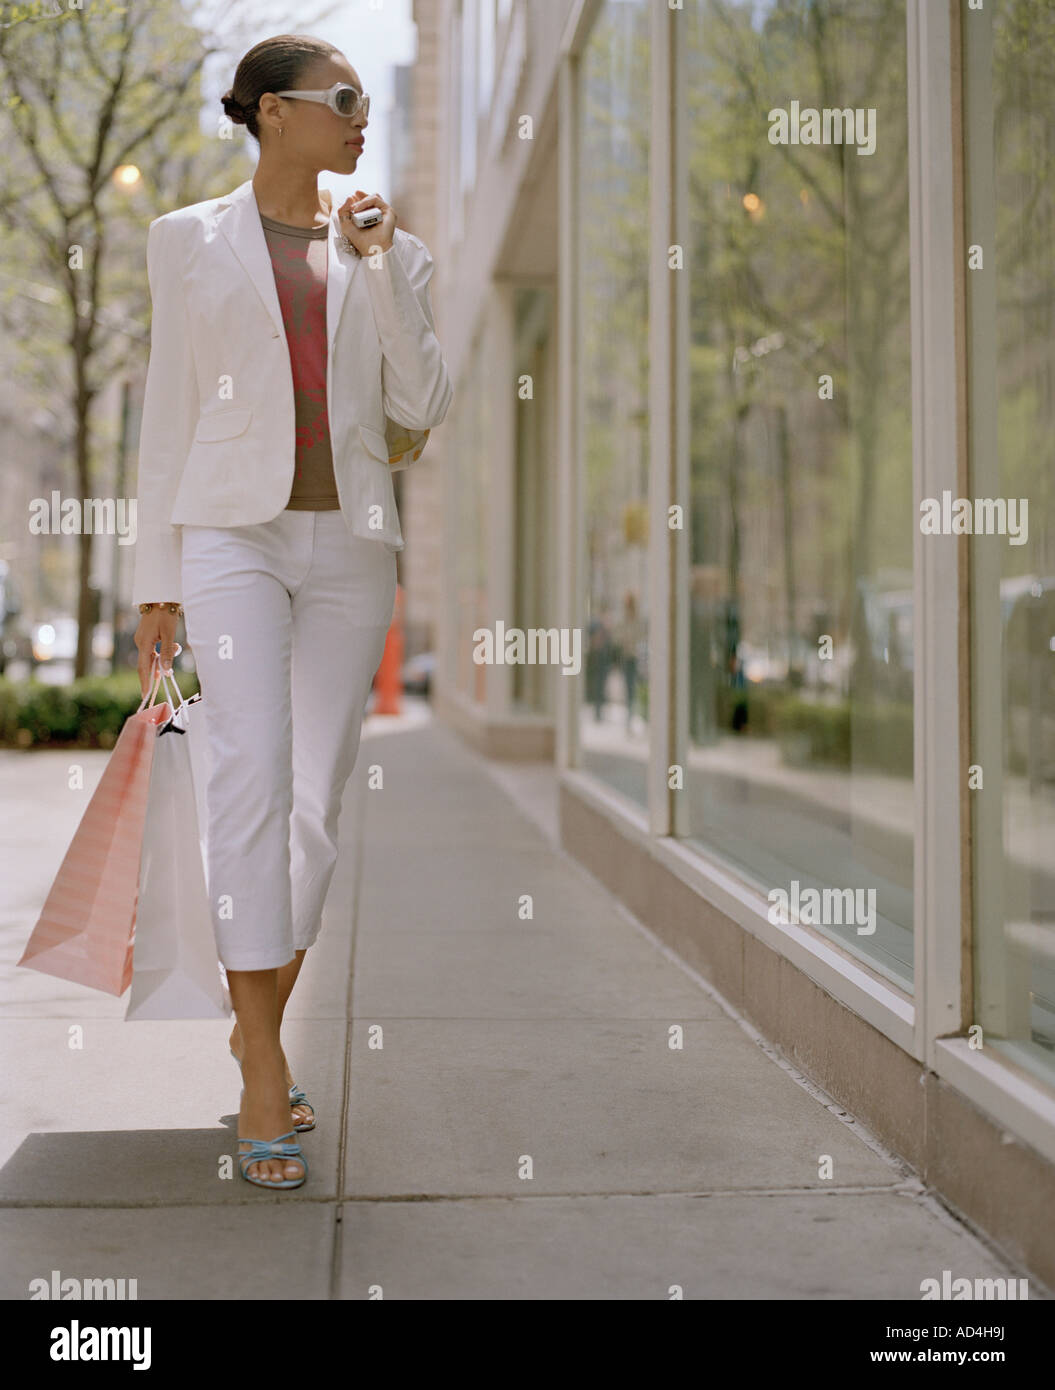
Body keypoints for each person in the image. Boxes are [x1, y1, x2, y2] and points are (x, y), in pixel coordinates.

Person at [131, 34, 452, 1190]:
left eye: (365, 100)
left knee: (314, 799)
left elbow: (423, 401)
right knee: (248, 779)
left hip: (350, 544)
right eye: (342, 100)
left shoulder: (388, 250)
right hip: (230, 535)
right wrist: (152, 577)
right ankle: (264, 1060)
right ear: (274, 113)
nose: (361, 118)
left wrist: (373, 266)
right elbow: (166, 407)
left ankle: (250, 1026)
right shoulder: (186, 240)